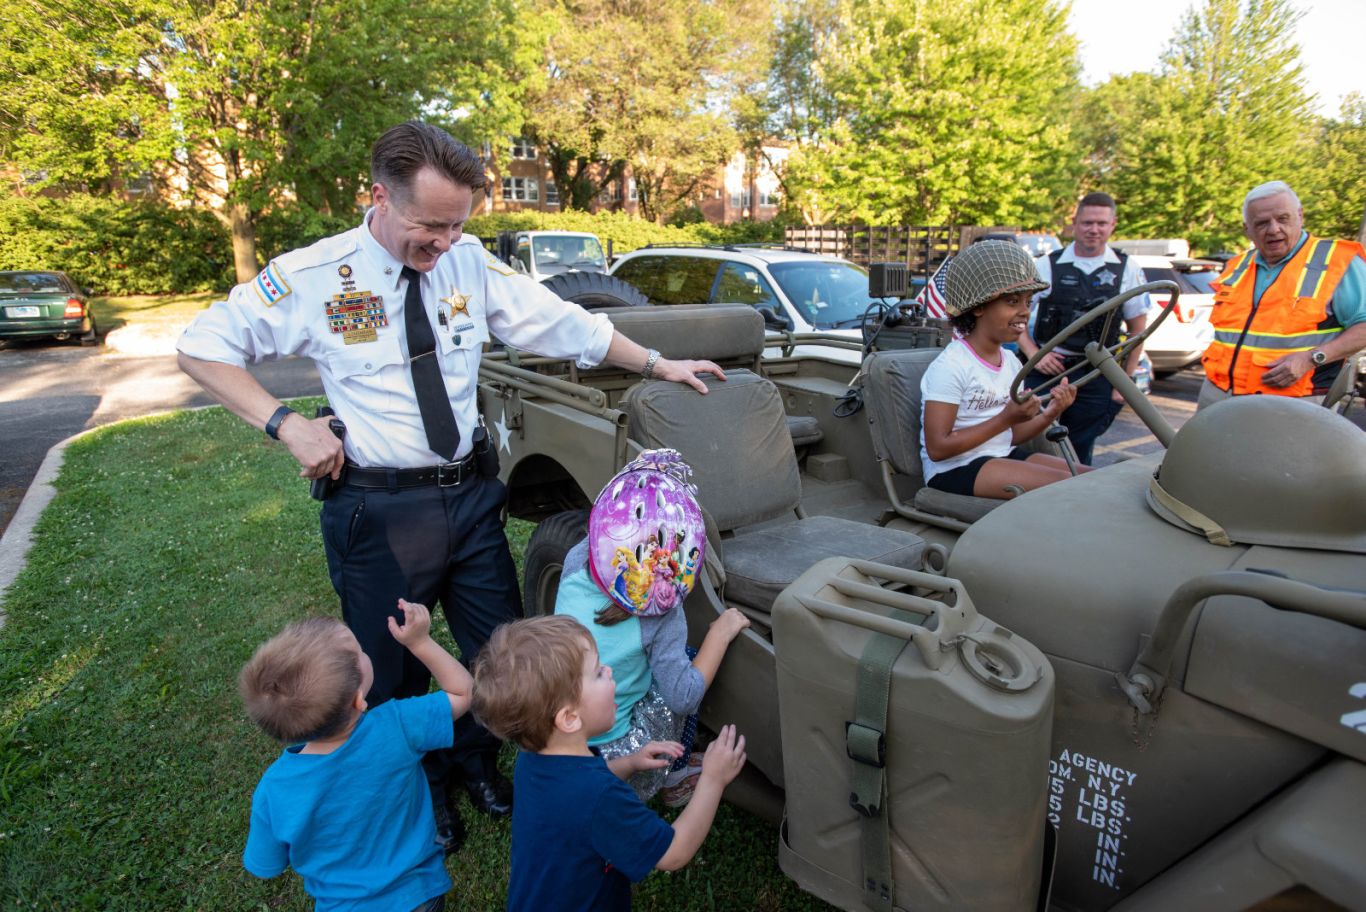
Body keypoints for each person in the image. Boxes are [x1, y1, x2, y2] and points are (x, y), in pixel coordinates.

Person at [177, 121, 725, 846]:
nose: (443, 245)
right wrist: (285, 424)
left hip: (468, 496)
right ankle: (426, 785)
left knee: (498, 647)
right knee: (394, 664)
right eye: (429, 226)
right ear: (379, 196)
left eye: (458, 225)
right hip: (379, 505)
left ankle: (477, 764)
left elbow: (563, 324)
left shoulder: (465, 261)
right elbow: (201, 347)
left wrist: (657, 364)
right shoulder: (316, 275)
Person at [471, 614, 747, 912]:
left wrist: (627, 763)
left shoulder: (533, 760)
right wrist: (713, 779)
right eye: (598, 673)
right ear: (569, 718)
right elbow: (673, 853)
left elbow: (572, 800)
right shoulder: (600, 798)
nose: (609, 671)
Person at [239, 600, 469, 911]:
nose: (365, 651)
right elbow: (463, 692)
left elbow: (267, 864)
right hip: (417, 895)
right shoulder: (397, 726)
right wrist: (420, 641)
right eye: (360, 651)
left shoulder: (273, 789)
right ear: (359, 700)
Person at [555, 449, 750, 805]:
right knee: (686, 668)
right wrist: (719, 634)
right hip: (621, 753)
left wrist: (638, 477)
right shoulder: (661, 613)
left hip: (565, 736)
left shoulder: (575, 562)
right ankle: (671, 777)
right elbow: (683, 696)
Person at [921, 241, 1086, 499]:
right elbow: (938, 448)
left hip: (999, 454)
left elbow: (1011, 436)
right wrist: (1007, 418)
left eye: (1028, 302)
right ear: (978, 306)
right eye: (1012, 302)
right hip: (953, 468)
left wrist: (1050, 413)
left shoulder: (1011, 361)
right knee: (1073, 488)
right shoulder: (952, 365)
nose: (1024, 312)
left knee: (1092, 480)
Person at [1197, 180, 1366, 410]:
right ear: (1248, 229)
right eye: (1262, 223)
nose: (1274, 229)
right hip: (1218, 395)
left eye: (1282, 219)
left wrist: (1311, 358)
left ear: (1300, 216)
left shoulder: (1337, 262)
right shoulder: (1237, 265)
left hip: (1293, 402)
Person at [1017, 192, 1151, 464]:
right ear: (1075, 223)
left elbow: (1138, 332)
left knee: (1080, 450)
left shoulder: (1127, 269)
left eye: (1101, 223)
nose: (1094, 229)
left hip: (1095, 374)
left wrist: (1122, 384)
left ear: (1113, 224)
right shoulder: (1047, 265)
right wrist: (1034, 355)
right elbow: (1015, 316)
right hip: (1048, 370)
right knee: (1034, 444)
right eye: (1088, 222)